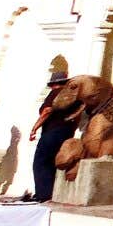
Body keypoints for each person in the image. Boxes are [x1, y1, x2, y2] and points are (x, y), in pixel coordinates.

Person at [27, 74, 80, 202]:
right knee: (53, 162)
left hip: (52, 131)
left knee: (41, 162)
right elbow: (77, 115)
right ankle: (50, 192)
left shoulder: (56, 93)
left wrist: (35, 127)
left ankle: (43, 194)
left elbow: (47, 111)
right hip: (65, 131)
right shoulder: (74, 96)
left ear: (54, 84)